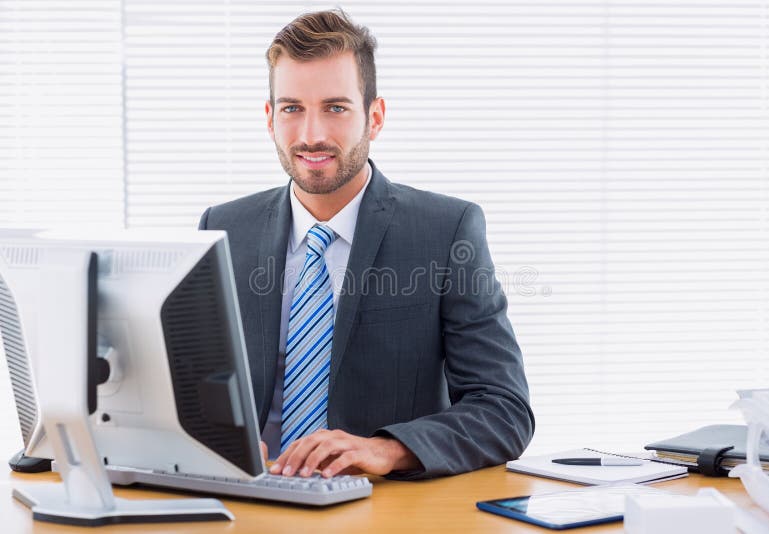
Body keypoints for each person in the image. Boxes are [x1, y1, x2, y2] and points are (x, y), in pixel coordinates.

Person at [199, 9, 533, 481]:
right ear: (271, 117)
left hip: (381, 508)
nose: (311, 134)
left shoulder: (446, 230)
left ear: (374, 118)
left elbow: (504, 410)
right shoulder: (224, 228)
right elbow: (191, 389)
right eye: (292, 108)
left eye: (335, 107)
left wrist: (389, 448)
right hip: (251, 498)